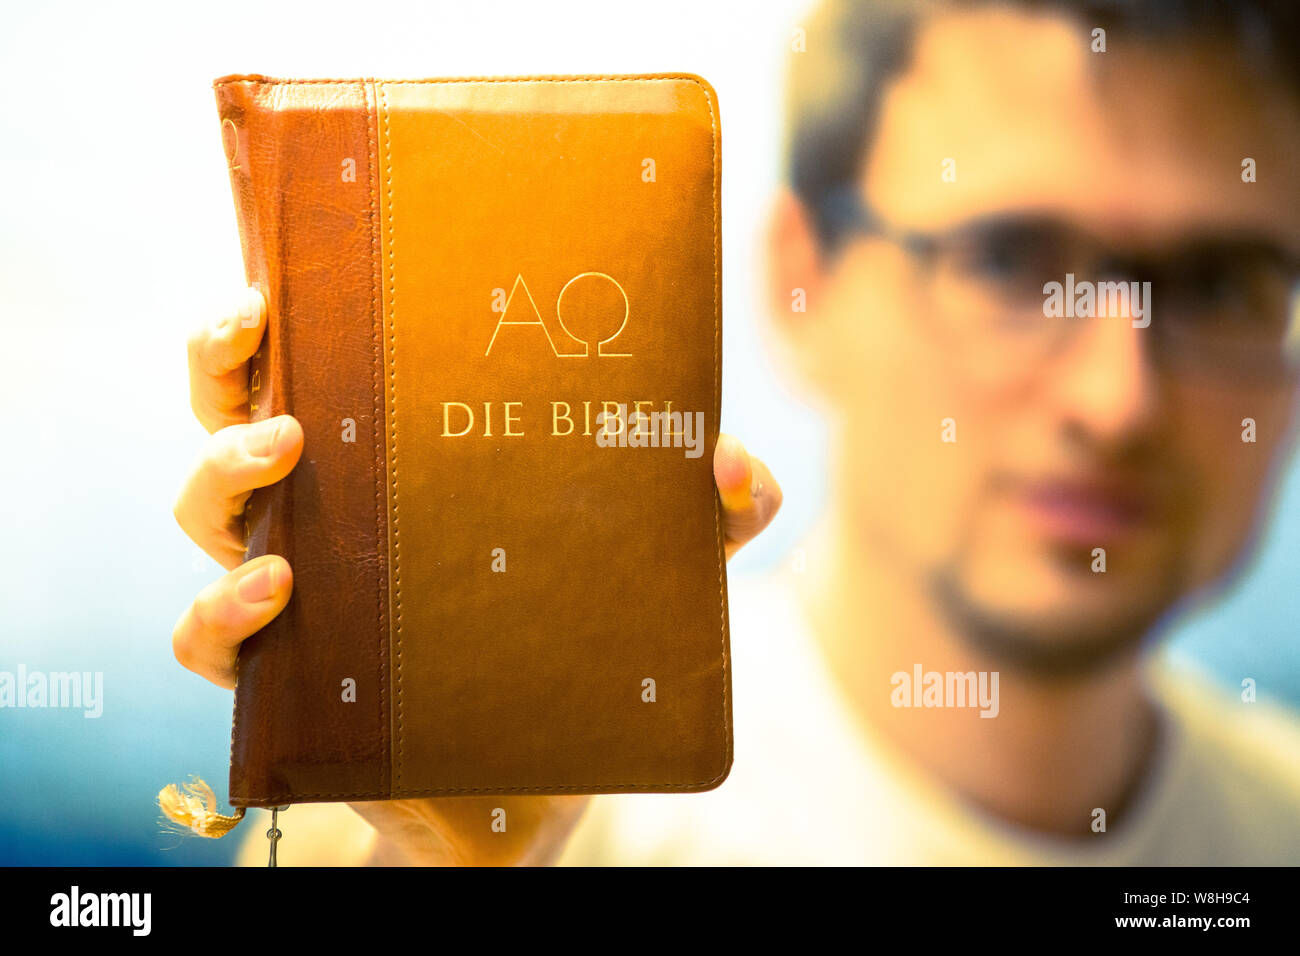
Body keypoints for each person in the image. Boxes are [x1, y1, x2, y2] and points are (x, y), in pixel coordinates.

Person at [180, 0, 1300, 865]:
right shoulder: (510, 811)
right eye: (1008, 261)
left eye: (1224, 284)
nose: (1117, 398)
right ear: (798, 281)